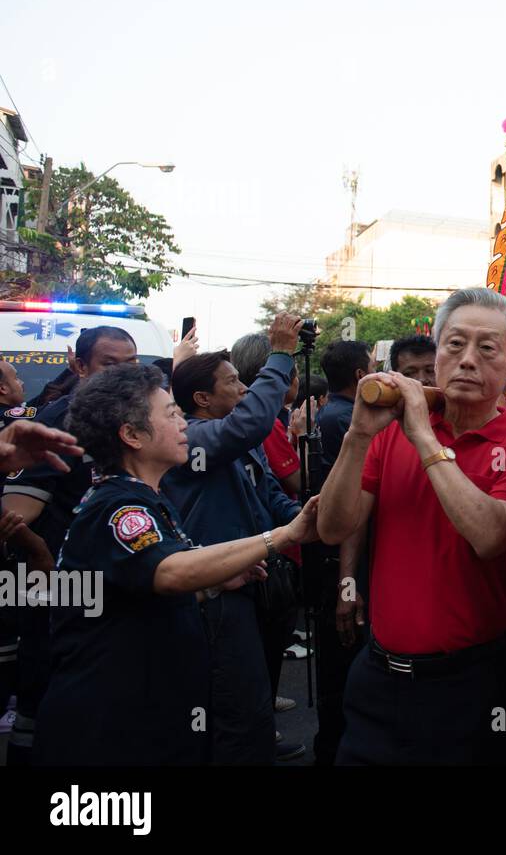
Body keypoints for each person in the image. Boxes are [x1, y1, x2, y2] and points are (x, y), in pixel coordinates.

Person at [35, 364, 317, 765]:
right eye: (170, 414)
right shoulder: (120, 507)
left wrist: (214, 583)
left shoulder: (148, 497)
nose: (183, 423)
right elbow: (169, 571)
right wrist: (281, 537)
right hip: (110, 726)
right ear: (131, 435)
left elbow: (136, 588)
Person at [318, 287, 506, 764]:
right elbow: (334, 528)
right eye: (454, 345)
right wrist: (357, 436)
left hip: (470, 684)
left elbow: (490, 536)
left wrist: (420, 434)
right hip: (378, 675)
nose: (467, 360)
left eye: (487, 348)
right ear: (437, 353)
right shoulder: (385, 434)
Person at [163, 313, 304, 765]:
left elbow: (267, 496)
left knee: (253, 692)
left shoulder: (239, 442)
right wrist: (280, 355)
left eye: (245, 382)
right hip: (216, 589)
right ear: (201, 399)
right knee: (231, 702)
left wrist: (304, 522)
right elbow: (248, 424)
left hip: (253, 581)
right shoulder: (195, 439)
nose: (244, 390)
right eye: (233, 383)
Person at [1, 325, 138, 765]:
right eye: (108, 365)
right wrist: (40, 556)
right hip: (62, 592)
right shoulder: (60, 422)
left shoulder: (128, 420)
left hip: (115, 589)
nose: (122, 375)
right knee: (46, 707)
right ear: (79, 366)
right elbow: (14, 515)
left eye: (131, 365)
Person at [230, 331, 310, 740]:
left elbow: (274, 491)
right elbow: (293, 477)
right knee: (260, 644)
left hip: (267, 548)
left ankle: (260, 708)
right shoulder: (251, 426)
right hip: (260, 557)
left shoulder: (260, 424)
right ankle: (258, 725)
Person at [307, 338, 373, 766]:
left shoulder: (330, 414)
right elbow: (345, 511)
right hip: (335, 561)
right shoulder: (352, 422)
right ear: (360, 376)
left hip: (333, 564)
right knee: (342, 672)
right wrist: (348, 583)